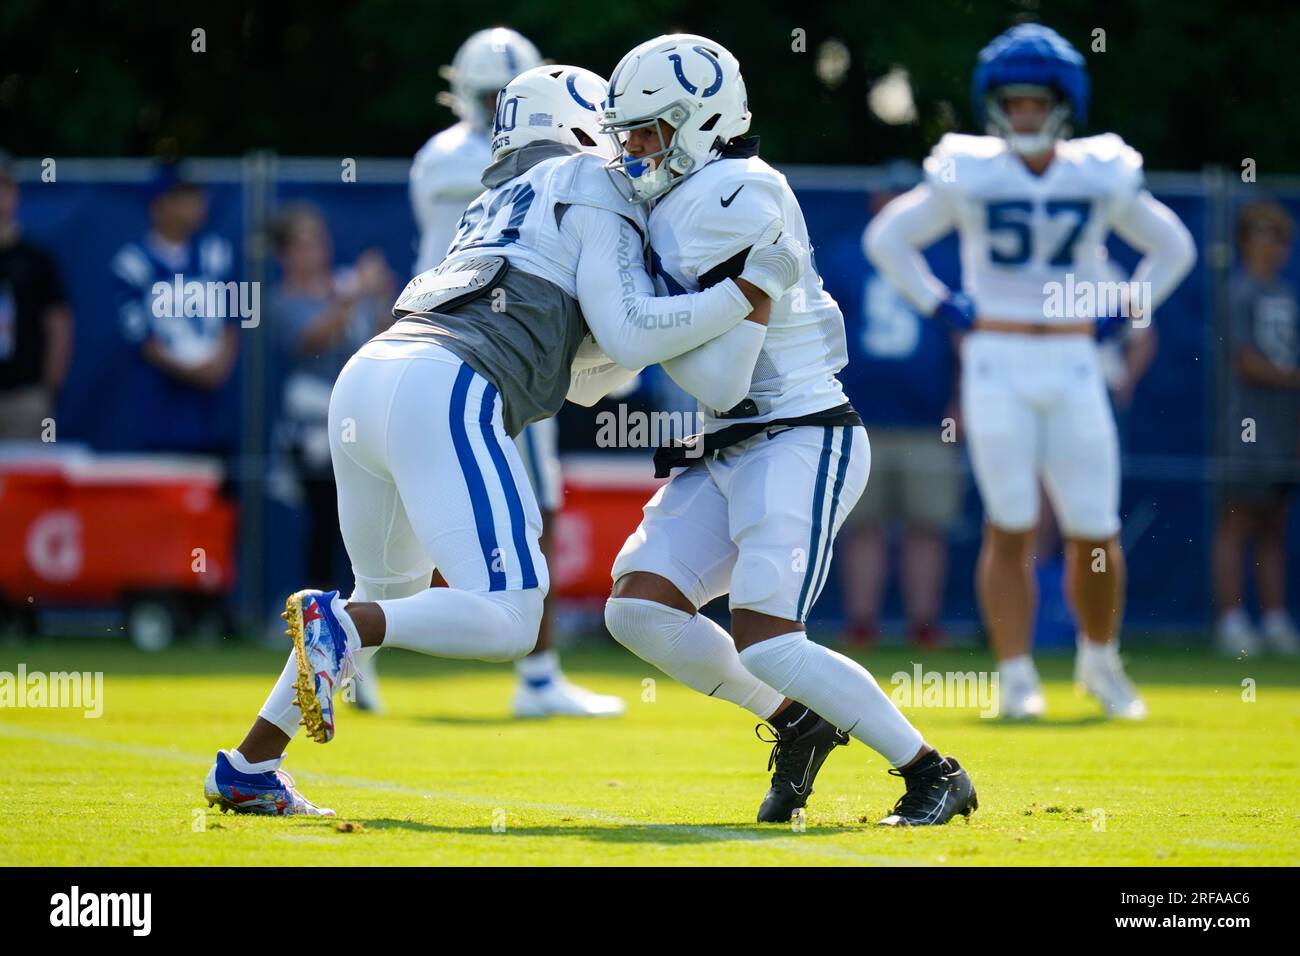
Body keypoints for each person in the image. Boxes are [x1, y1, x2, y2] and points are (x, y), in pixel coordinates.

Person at [203, 64, 806, 815]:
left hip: (370, 377)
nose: (628, 147)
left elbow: (591, 374)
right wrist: (747, 291)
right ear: (584, 125)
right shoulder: (592, 183)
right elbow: (627, 331)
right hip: (445, 383)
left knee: (388, 597)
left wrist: (658, 336)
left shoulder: (494, 201)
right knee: (511, 617)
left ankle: (249, 764)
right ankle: (342, 625)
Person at [600, 34, 977, 827]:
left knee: (769, 638)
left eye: (650, 131)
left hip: (801, 430)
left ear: (701, 122)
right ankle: (797, 720)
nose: (633, 150)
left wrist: (631, 329)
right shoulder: (677, 194)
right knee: (636, 608)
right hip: (735, 440)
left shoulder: (735, 192)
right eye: (626, 132)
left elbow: (724, 378)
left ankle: (931, 772)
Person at [866, 24, 1196, 719]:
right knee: (1010, 522)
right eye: (1013, 101)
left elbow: (1174, 247)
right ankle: (1017, 677)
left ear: (1061, 103)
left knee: (1095, 526)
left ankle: (1100, 661)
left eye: (1035, 101)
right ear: (995, 104)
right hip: (996, 355)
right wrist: (943, 306)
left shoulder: (1098, 170)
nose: (1024, 113)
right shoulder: (970, 167)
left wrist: (1125, 309)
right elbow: (889, 237)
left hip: (1075, 357)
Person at [410, 28, 623, 717]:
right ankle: (538, 673)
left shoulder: (447, 158)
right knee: (535, 510)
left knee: (416, 520)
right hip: (498, 347)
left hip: (429, 333)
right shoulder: (475, 163)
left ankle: (356, 649)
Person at [269, 203, 397, 711]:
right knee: (328, 528)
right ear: (284, 254)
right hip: (310, 430)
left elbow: (383, 337)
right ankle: (314, 641)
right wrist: (354, 294)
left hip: (360, 424)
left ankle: (349, 653)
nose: (315, 251)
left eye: (318, 239)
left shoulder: (346, 288)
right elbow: (313, 341)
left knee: (366, 539)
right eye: (302, 242)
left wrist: (383, 295)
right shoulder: (284, 301)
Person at [837, 184, 961, 649]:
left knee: (927, 525)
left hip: (928, 419)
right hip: (859, 416)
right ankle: (862, 623)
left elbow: (960, 335)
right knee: (860, 525)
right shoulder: (848, 257)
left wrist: (961, 402)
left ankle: (923, 624)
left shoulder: (944, 260)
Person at [1214, 200, 1300, 656]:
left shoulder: (1287, 295)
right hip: (1245, 429)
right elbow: (1246, 361)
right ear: (1245, 240)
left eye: (1281, 237)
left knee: (1274, 525)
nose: (1274, 246)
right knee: (1237, 522)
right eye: (1264, 234)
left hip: (1285, 433)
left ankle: (1274, 620)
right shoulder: (1238, 292)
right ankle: (1231, 623)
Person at [110, 165, 238, 457]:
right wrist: (190, 371)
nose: (197, 204)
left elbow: (239, 314)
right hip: (160, 406)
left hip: (214, 407)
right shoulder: (130, 264)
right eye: (185, 197)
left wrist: (220, 365)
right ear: (159, 204)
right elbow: (140, 337)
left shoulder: (218, 253)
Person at [0, 151, 73, 441]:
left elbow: (59, 325)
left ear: (14, 194)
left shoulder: (36, 259)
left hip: (25, 399)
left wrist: (47, 391)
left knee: (26, 481)